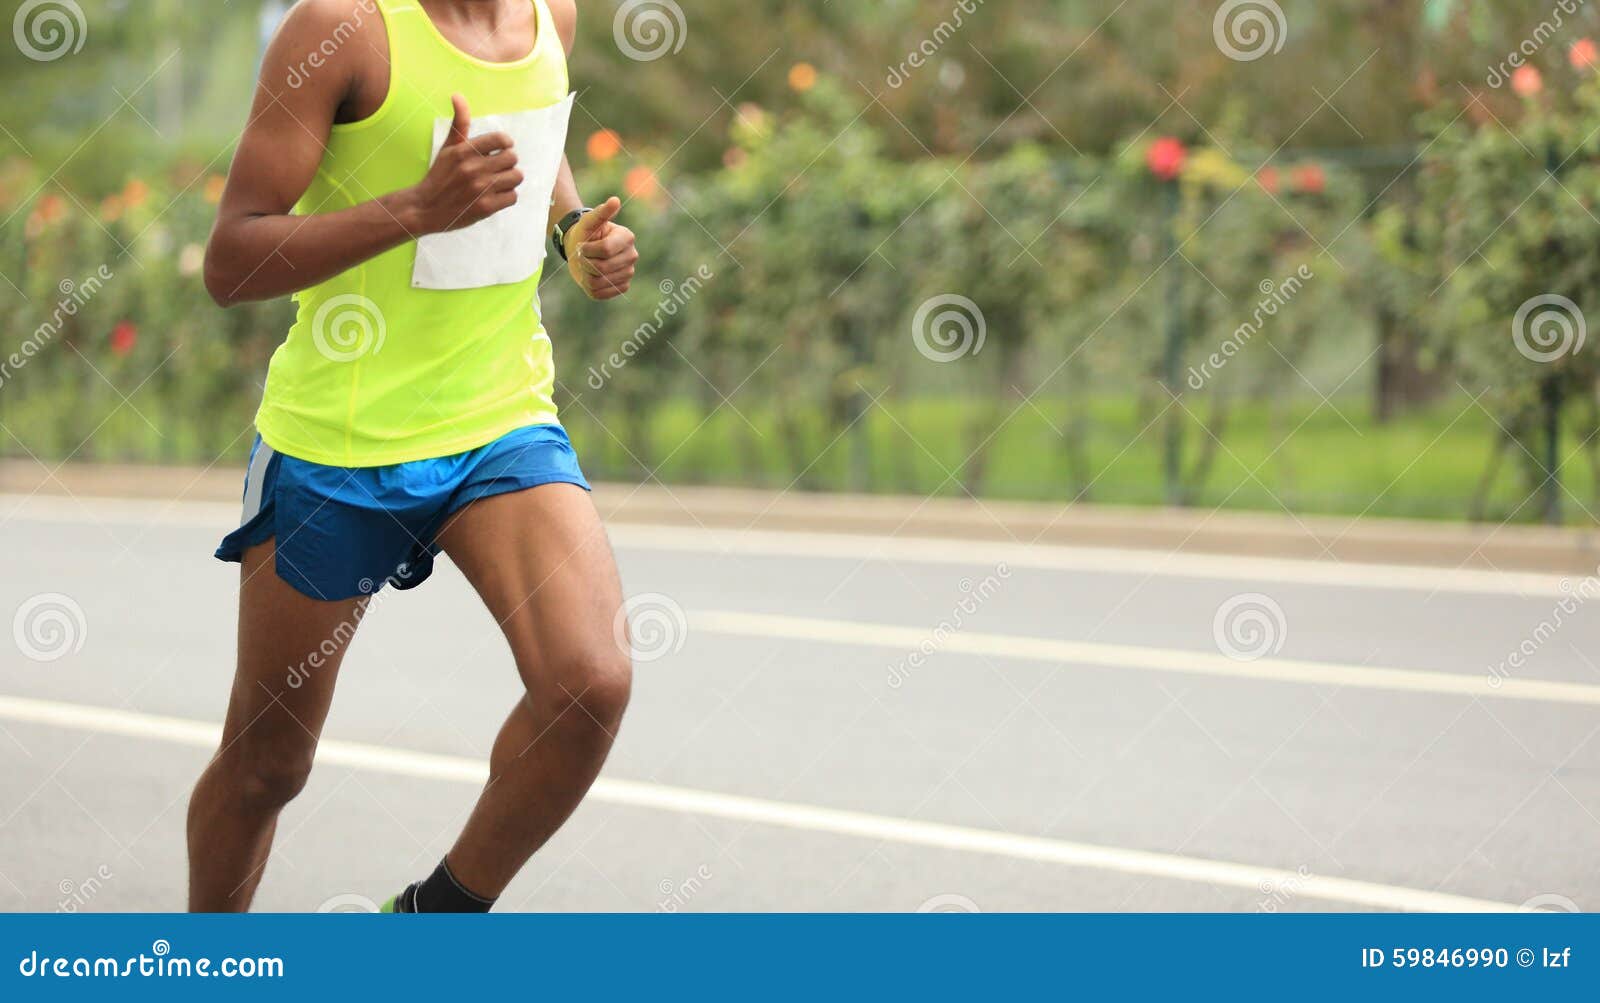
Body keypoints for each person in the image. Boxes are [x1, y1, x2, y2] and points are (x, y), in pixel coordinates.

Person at [188, 0, 639, 913]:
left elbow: (531, 138)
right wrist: (412, 211)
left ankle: (431, 924)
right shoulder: (342, 30)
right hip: (337, 443)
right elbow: (230, 260)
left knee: (590, 681)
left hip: (499, 419)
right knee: (267, 766)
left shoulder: (553, 14)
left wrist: (572, 228)